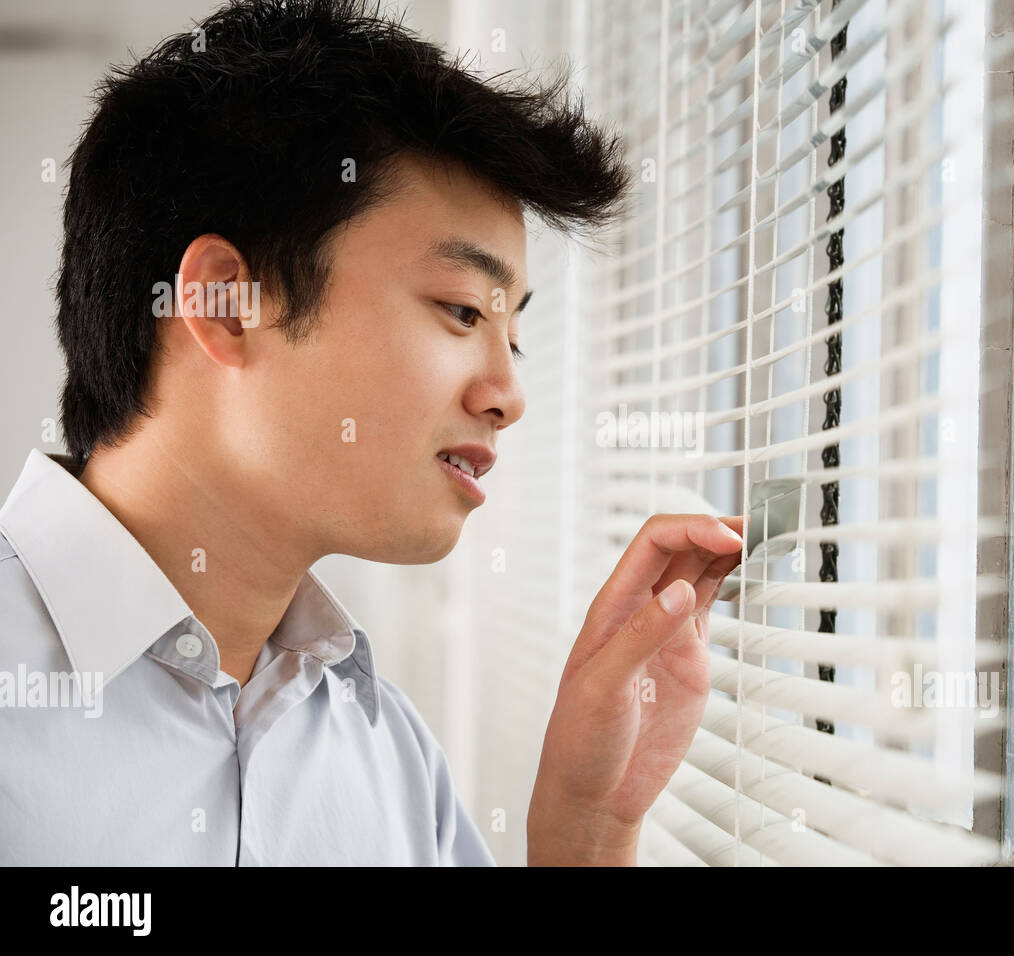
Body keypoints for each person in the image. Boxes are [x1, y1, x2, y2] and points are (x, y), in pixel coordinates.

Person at [0, 0, 743, 866]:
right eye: (462, 310)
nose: (509, 394)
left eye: (515, 334)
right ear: (222, 303)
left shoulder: (388, 757)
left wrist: (587, 827)